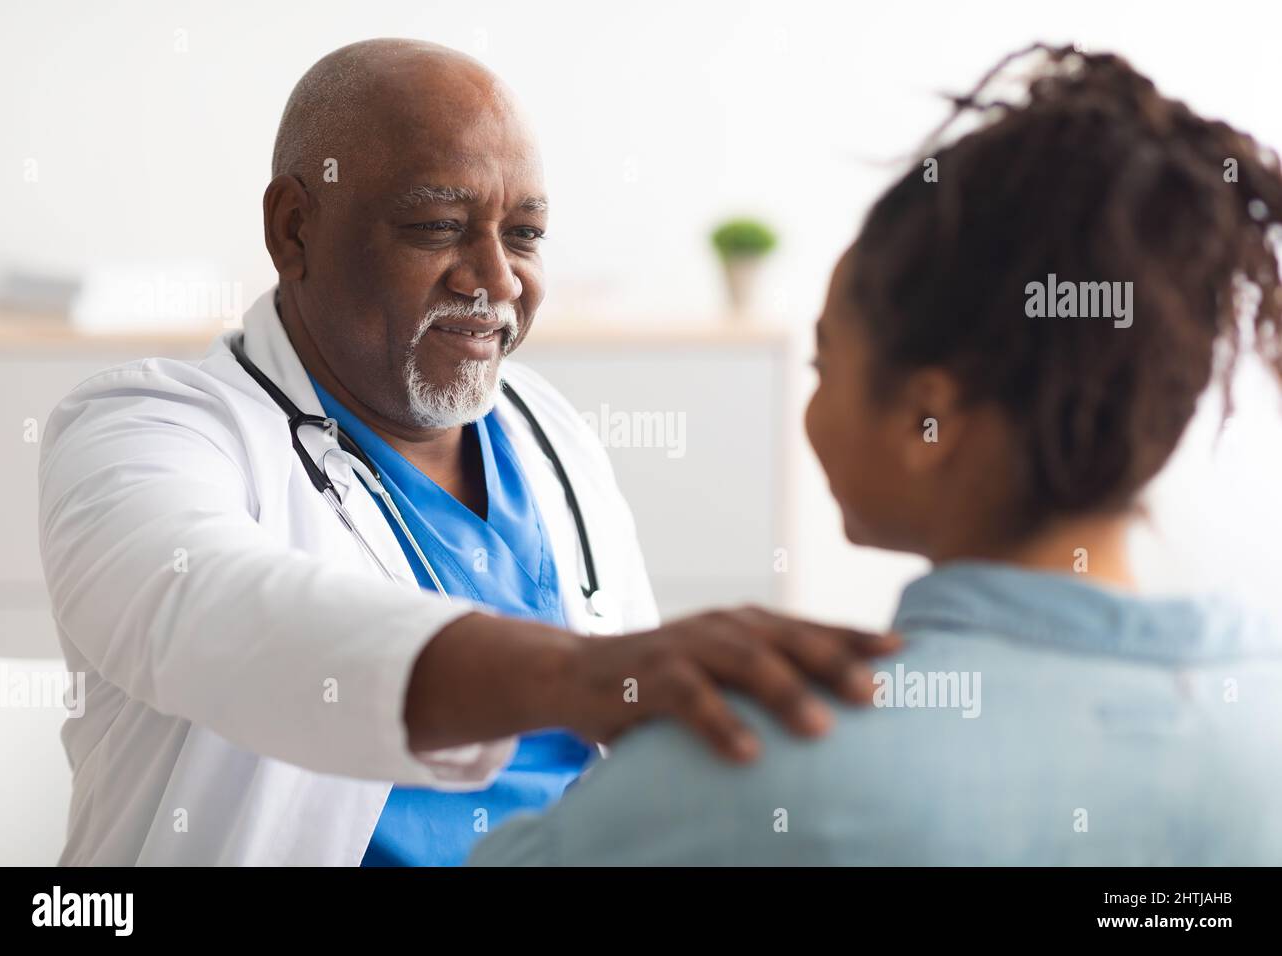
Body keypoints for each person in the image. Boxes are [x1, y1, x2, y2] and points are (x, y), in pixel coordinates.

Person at [36, 39, 891, 866]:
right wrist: (580, 675)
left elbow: (635, 747)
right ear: (294, 228)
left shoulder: (547, 432)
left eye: (523, 235)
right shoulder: (146, 429)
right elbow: (221, 613)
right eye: (439, 225)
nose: (497, 279)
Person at [469, 44, 1282, 866]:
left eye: (824, 365)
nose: (811, 408)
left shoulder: (739, 763)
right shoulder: (1257, 716)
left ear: (926, 416)